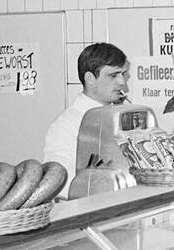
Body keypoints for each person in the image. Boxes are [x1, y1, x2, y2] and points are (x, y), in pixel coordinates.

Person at [43, 42, 133, 194]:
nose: (122, 82)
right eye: (113, 75)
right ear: (90, 78)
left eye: (123, 74)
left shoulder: (119, 116)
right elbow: (58, 182)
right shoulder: (66, 125)